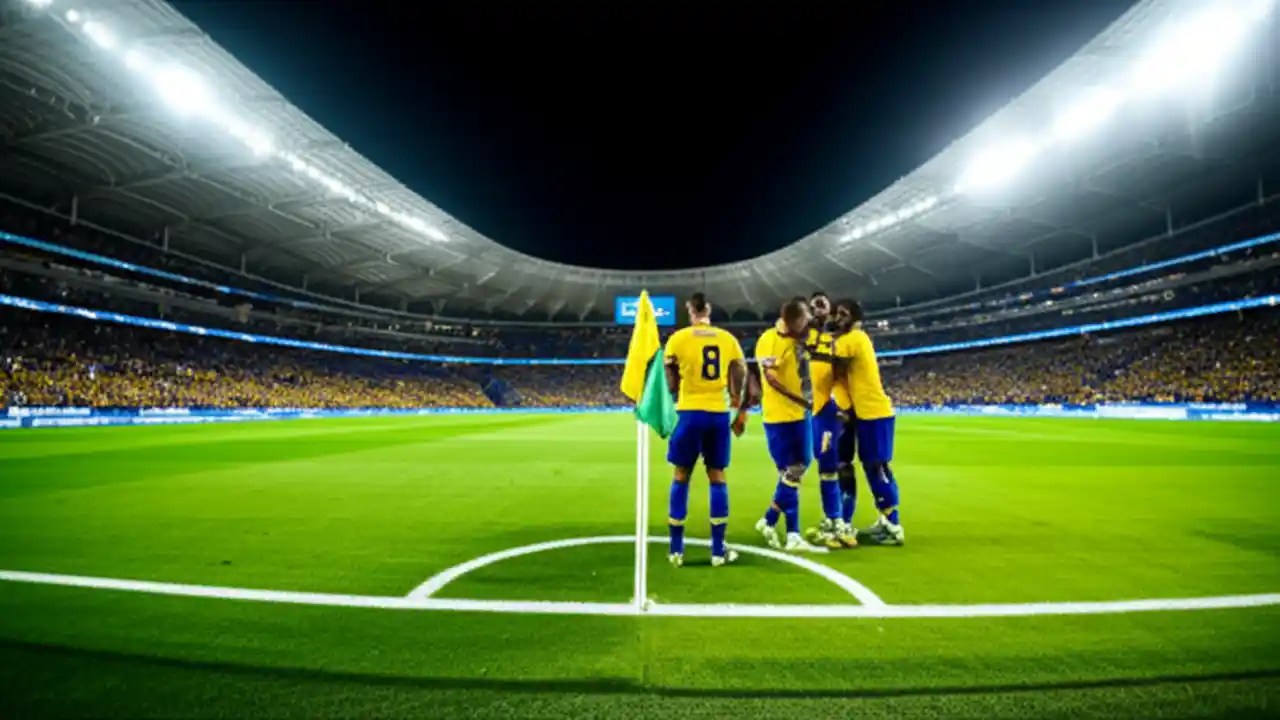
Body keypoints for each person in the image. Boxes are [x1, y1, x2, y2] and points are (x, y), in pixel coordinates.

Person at [663, 292, 748, 567]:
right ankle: (717, 551)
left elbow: (672, 384)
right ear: (709, 310)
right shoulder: (727, 339)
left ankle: (676, 551)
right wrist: (737, 405)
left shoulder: (678, 339)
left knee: (681, 475)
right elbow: (739, 372)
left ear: (691, 311)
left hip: (689, 413)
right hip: (717, 414)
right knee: (717, 476)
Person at [831, 299, 904, 545]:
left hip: (874, 413)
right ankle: (888, 520)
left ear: (855, 317)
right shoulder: (852, 339)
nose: (838, 318)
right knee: (876, 467)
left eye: (843, 314)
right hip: (867, 414)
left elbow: (832, 363)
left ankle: (893, 526)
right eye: (836, 314)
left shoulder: (855, 338)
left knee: (877, 468)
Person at [753, 297, 821, 552]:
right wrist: (802, 402)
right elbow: (771, 379)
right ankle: (770, 521)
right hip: (780, 417)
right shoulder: (769, 340)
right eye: (804, 319)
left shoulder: (796, 340)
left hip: (797, 415)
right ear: (792, 319)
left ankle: (792, 534)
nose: (807, 323)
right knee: (796, 468)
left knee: (791, 476)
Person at [803, 292, 857, 548]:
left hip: (831, 408)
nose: (819, 308)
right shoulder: (810, 336)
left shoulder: (841, 338)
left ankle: (837, 521)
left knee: (832, 465)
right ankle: (834, 520)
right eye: (814, 305)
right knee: (826, 465)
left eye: (823, 303)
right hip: (819, 409)